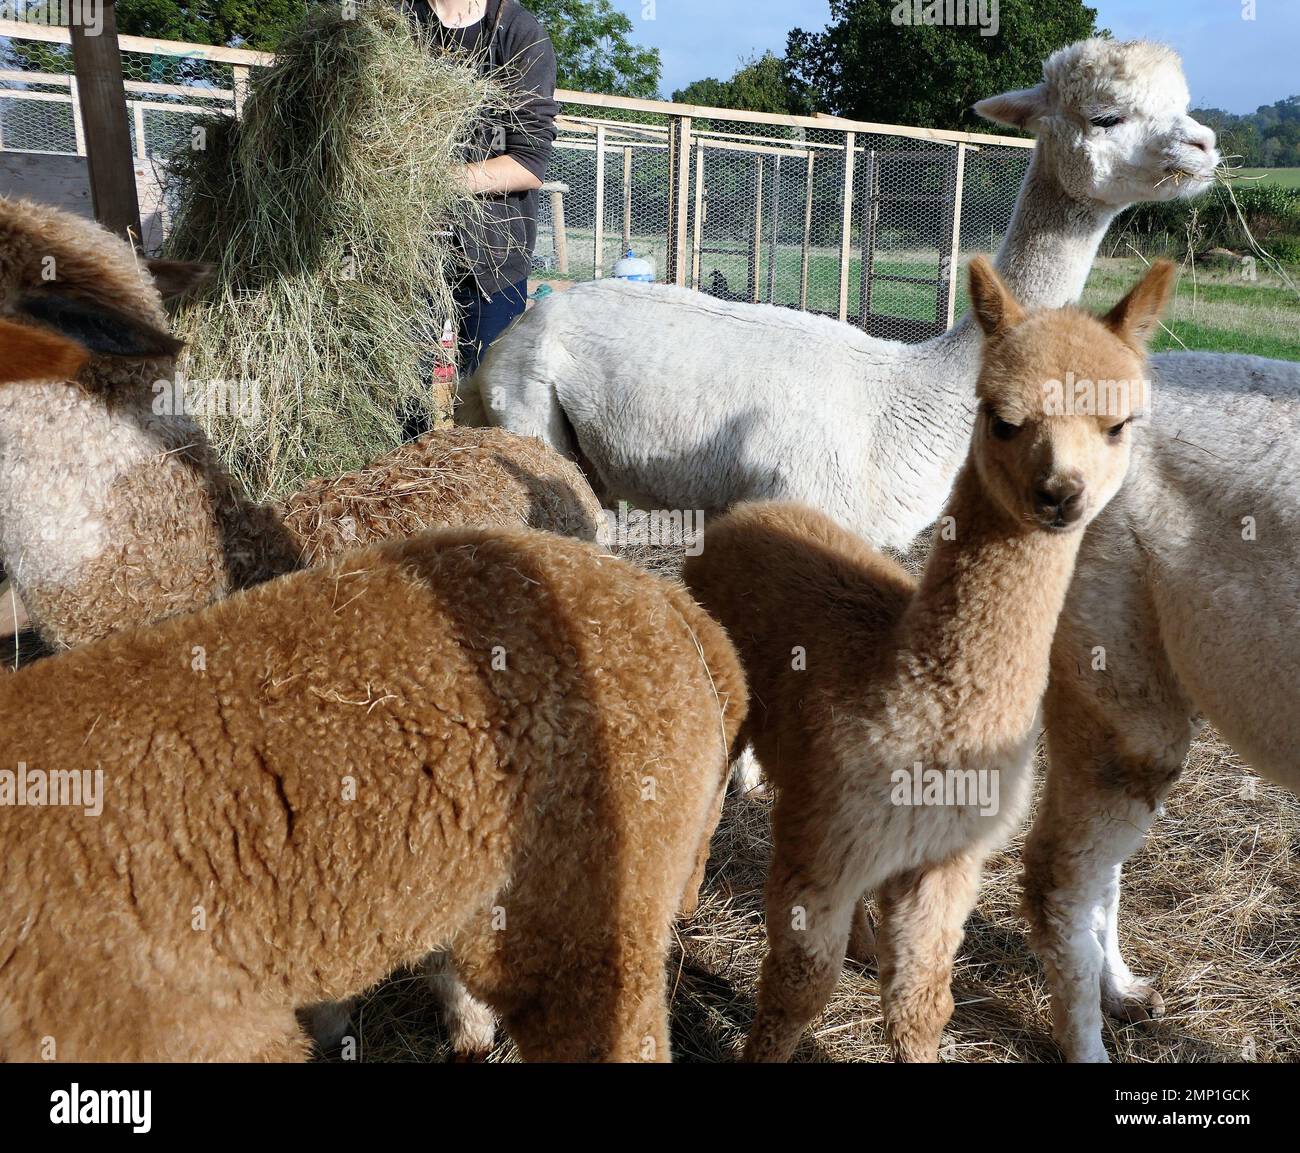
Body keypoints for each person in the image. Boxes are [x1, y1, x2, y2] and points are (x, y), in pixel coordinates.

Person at [403, 1, 559, 434]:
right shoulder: (394, 20)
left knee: (490, 407)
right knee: (396, 401)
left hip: (494, 255)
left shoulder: (519, 34)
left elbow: (528, 165)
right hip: (402, 252)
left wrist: (432, 179)